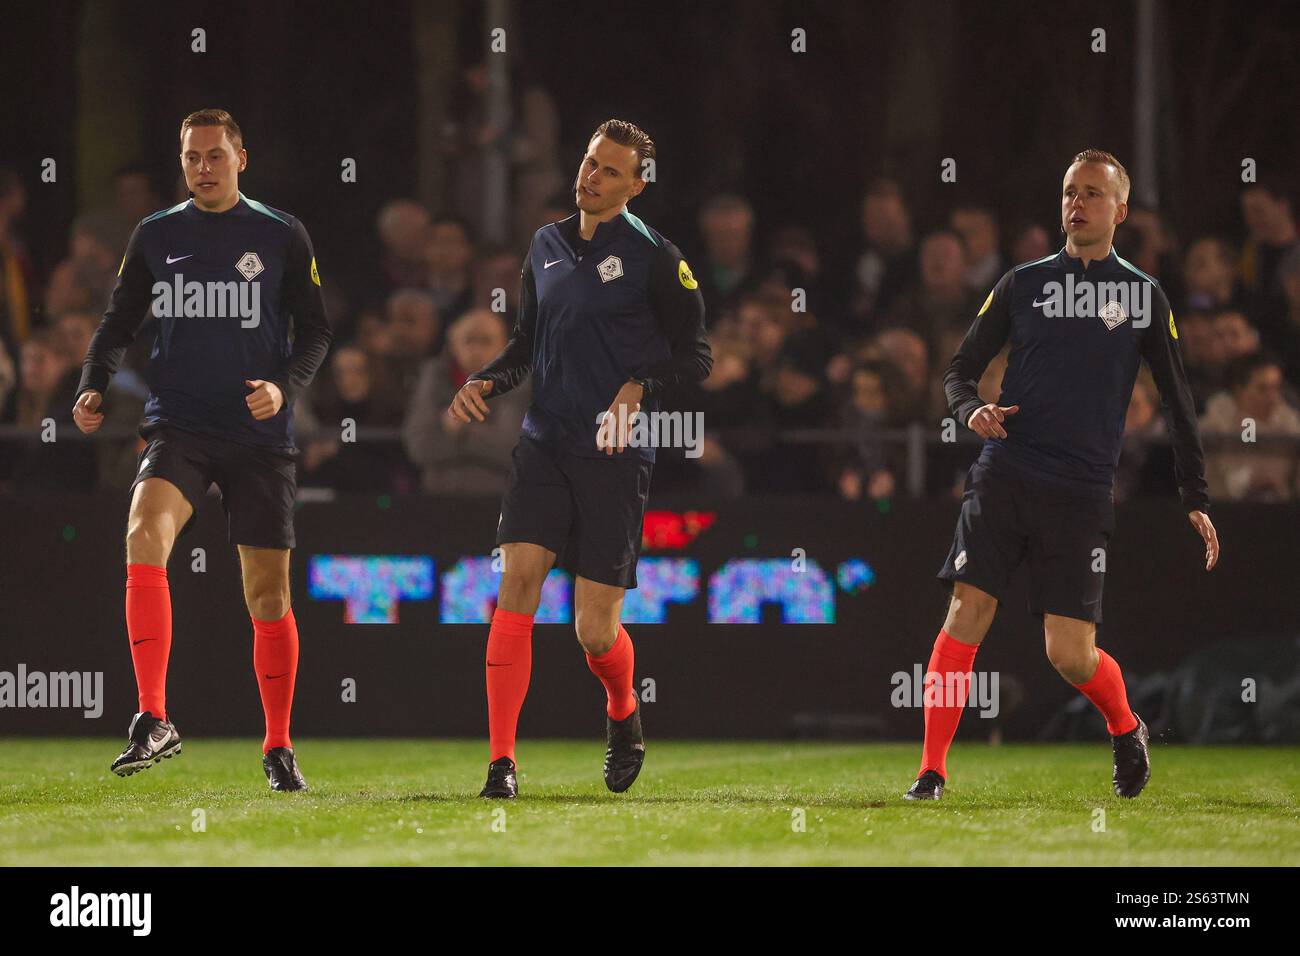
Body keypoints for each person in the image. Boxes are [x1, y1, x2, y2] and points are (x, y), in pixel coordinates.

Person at [910, 149, 1220, 802]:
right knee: (965, 612)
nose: (1077, 202)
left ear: (1121, 211)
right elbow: (959, 369)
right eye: (1070, 191)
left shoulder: (1140, 295)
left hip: (1079, 493)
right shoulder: (1022, 283)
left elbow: (1177, 398)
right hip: (1005, 474)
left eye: (1093, 193)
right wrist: (971, 411)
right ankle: (931, 773)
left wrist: (1195, 494)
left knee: (1069, 654)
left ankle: (1125, 723)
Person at [447, 119, 711, 799]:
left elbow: (697, 358)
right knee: (518, 583)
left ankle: (623, 712)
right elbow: (528, 343)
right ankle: (501, 763)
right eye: (590, 164)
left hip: (614, 455)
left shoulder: (657, 258)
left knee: (595, 633)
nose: (590, 179)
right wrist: (486, 379)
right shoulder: (546, 244)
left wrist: (638, 387)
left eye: (609, 172)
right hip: (544, 444)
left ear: (637, 186)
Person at [73, 109, 332, 791]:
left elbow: (316, 333)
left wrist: (283, 387)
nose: (203, 167)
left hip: (259, 437)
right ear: (182, 162)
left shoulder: (280, 234)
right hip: (179, 426)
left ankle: (277, 745)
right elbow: (118, 321)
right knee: (142, 533)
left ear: (241, 157)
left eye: (215, 155)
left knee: (267, 595)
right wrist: (94, 384)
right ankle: (154, 717)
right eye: (192, 157)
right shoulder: (157, 234)